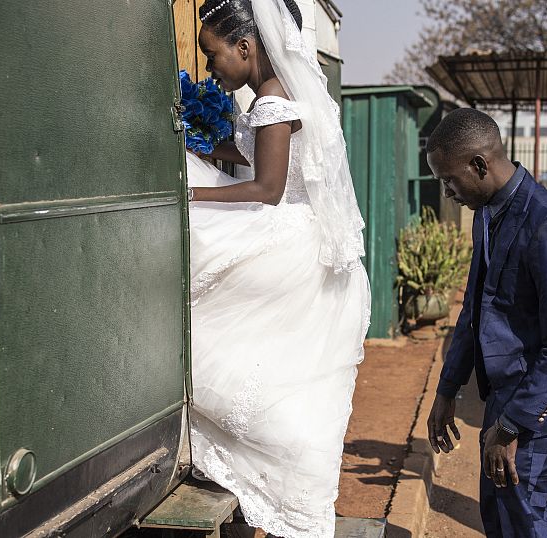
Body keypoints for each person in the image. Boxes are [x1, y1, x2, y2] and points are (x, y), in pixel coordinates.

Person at [183, 1, 371, 536]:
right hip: (304, 231)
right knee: (283, 372)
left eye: (212, 55)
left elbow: (267, 188)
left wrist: (189, 194)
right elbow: (264, 156)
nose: (210, 67)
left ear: (245, 47)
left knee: (215, 329)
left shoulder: (270, 98)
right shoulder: (283, 90)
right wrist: (206, 141)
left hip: (286, 231)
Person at [426, 108, 547, 538]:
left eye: (449, 180)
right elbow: (474, 309)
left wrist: (511, 425)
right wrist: (447, 389)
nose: (447, 192)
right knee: (499, 519)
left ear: (479, 165)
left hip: (540, 406)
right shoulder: (487, 212)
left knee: (528, 523)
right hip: (505, 397)